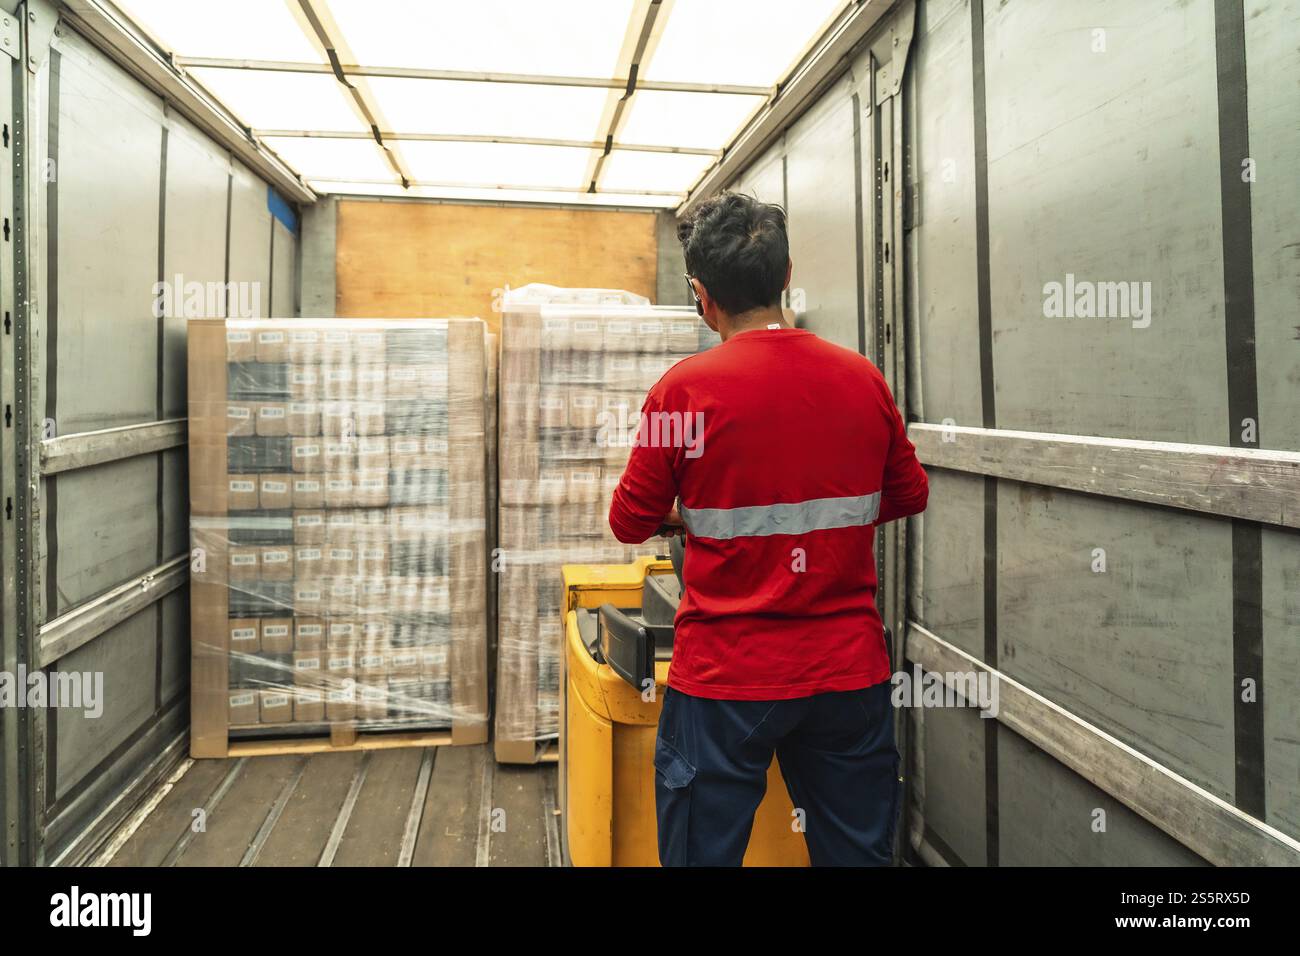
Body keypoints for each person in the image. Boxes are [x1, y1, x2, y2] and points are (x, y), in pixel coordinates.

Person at [607, 192, 929, 866]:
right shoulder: (862, 379)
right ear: (786, 277)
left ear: (702, 295)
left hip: (727, 679)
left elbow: (629, 521)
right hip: (846, 675)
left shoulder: (683, 393)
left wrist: (696, 511)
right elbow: (906, 494)